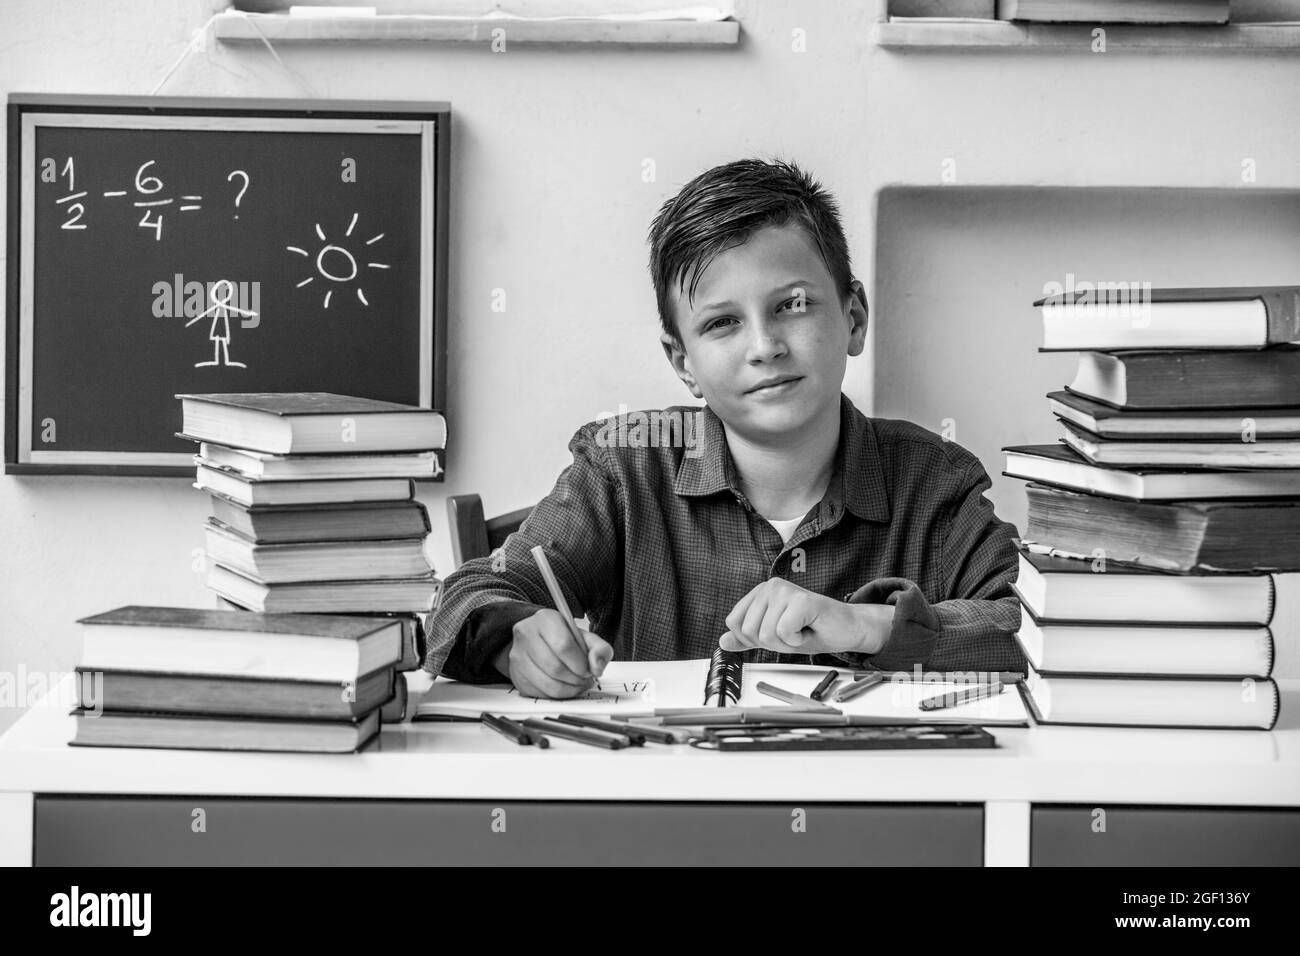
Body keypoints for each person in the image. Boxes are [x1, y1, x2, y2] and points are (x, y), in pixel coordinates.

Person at [424, 158, 1024, 699]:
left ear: (855, 317)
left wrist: (869, 625)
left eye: (793, 304)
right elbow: (465, 597)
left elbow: (1035, 627)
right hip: (666, 801)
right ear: (683, 363)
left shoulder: (934, 483)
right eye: (722, 323)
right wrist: (515, 642)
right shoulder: (625, 469)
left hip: (865, 799)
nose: (764, 347)